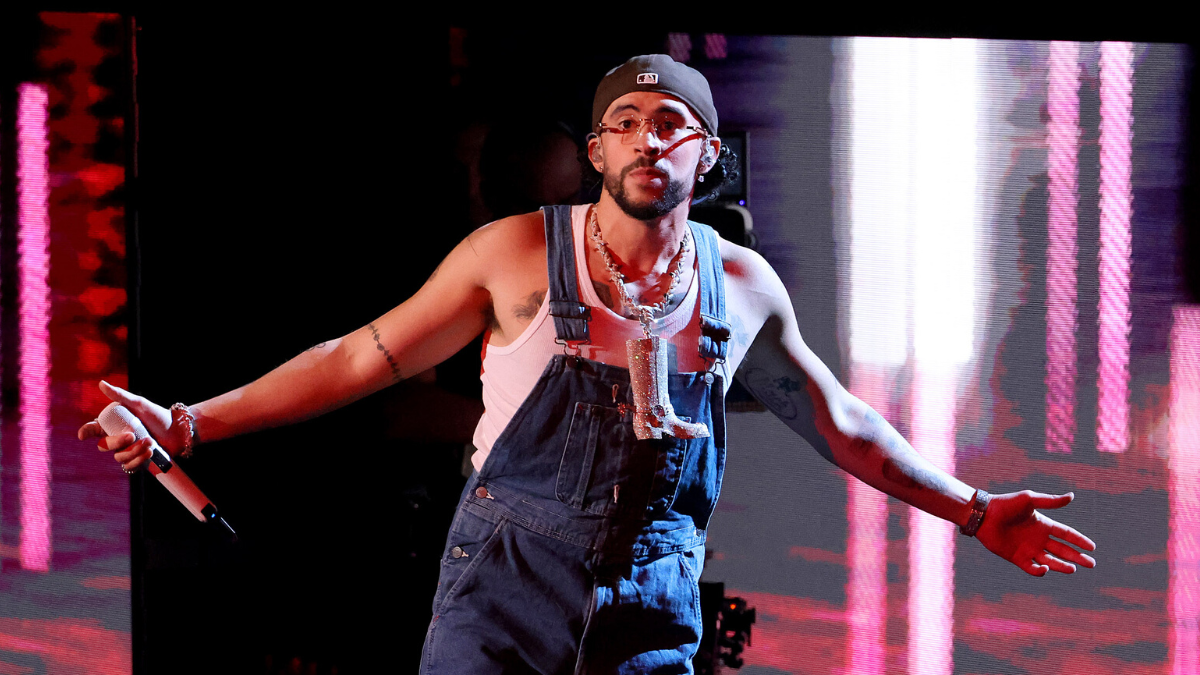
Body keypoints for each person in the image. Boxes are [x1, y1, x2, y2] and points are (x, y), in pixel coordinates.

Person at [79, 54, 1097, 674]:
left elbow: (841, 422)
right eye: (626, 124)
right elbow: (360, 358)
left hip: (654, 599)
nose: (649, 141)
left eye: (673, 125)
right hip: (505, 587)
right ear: (597, 153)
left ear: (706, 156)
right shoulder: (517, 252)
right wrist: (191, 422)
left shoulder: (741, 283)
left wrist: (973, 509)